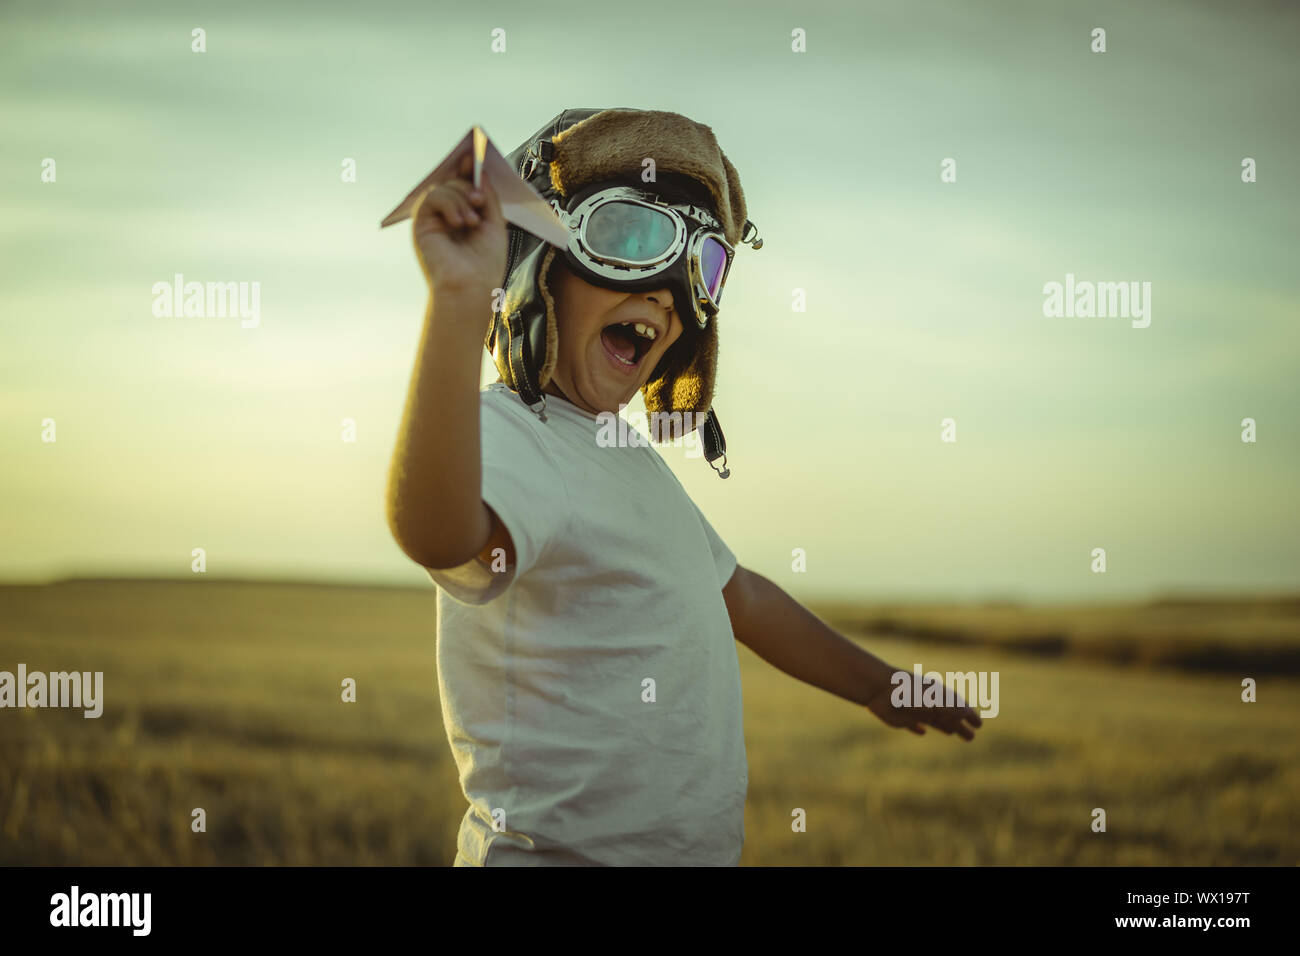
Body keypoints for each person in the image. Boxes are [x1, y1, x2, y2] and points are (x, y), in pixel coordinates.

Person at [385, 108, 982, 866]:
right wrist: (458, 299)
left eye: (702, 266)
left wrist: (880, 684)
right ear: (535, 263)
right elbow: (437, 533)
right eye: (629, 238)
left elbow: (745, 598)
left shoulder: (627, 459)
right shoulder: (517, 434)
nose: (669, 295)